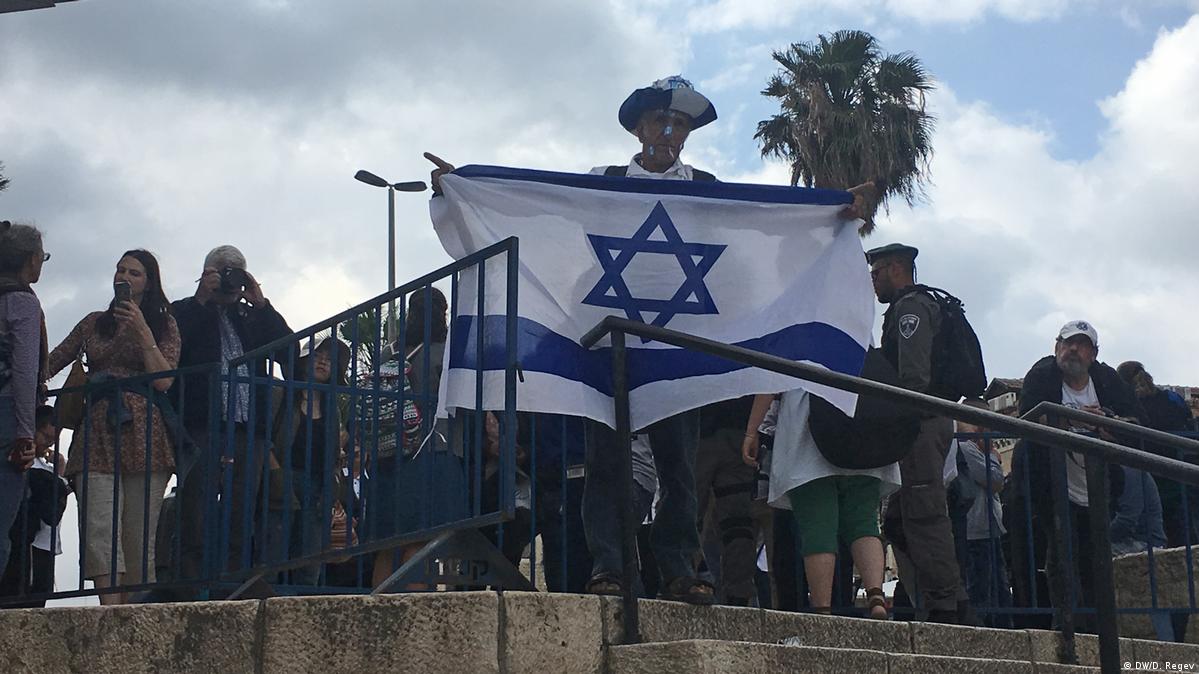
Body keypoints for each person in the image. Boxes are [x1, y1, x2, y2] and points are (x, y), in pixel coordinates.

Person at [423, 77, 878, 604]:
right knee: (606, 465)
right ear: (638, 129)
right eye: (658, 122)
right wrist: (468, 187)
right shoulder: (604, 184)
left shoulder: (707, 188)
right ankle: (610, 568)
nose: (667, 132)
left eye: (679, 124)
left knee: (678, 468)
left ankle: (679, 568)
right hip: (608, 347)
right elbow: (543, 212)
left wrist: (835, 210)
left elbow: (759, 231)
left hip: (678, 348)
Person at [47, 249, 179, 604]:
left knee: (139, 534)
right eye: (121, 270)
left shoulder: (164, 323)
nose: (123, 276)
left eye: (134, 273)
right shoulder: (94, 322)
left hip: (145, 431)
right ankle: (110, 612)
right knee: (99, 527)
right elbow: (53, 360)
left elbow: (164, 378)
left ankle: (134, 614)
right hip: (98, 429)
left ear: (149, 283)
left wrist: (141, 330)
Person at [1007, 320, 1143, 632]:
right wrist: (1068, 420)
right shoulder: (1042, 374)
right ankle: (1068, 626)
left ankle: (1099, 629)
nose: (1072, 350)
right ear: (1056, 348)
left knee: (1095, 557)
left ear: (1093, 354)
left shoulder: (1107, 379)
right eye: (1067, 343)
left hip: (1098, 485)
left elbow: (1137, 425)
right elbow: (1028, 417)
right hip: (1050, 483)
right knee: (1061, 554)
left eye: (1081, 345)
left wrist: (1110, 423)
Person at [170, 245, 292, 583]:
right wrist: (201, 299)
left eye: (235, 272)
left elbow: (290, 353)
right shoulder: (184, 310)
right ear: (206, 272)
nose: (228, 280)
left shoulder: (252, 317)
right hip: (201, 424)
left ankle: (235, 584)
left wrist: (262, 305)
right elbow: (174, 347)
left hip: (248, 428)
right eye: (222, 271)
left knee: (241, 511)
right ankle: (192, 585)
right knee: (196, 506)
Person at [866, 242, 969, 624]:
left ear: (895, 268)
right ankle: (935, 595)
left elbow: (912, 377)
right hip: (922, 421)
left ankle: (948, 604)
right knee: (899, 518)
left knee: (925, 513)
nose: (873, 282)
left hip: (920, 422)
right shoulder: (912, 306)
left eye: (876, 273)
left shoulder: (910, 308)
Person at [742, 389, 896, 619]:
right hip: (861, 427)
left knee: (818, 526)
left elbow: (771, 383)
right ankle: (876, 595)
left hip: (808, 433)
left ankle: (822, 608)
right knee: (863, 522)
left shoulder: (795, 349)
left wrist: (751, 432)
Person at [368, 287, 466, 590]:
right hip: (433, 448)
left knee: (389, 543)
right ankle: (415, 610)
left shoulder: (390, 350)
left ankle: (378, 607)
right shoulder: (448, 350)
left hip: (388, 454)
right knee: (422, 539)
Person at [265, 337, 349, 585]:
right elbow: (264, 439)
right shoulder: (281, 395)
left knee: (310, 562)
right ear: (302, 362)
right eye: (317, 355)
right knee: (273, 557)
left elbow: (333, 450)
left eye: (330, 359)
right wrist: (277, 476)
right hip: (283, 479)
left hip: (318, 487)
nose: (323, 362)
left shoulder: (331, 407)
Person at [0, 221, 46, 580]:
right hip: (5, 416)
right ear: (31, 260)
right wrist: (26, 435)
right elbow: (25, 372)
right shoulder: (22, 302)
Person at [1117, 360, 1197, 548]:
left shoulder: (1129, 403)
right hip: (1178, 467)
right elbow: (1188, 419)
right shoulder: (1170, 397)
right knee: (1182, 527)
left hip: (1148, 468)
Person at [0, 405, 67, 607]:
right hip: (32, 547)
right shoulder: (29, 468)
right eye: (45, 437)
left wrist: (60, 470)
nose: (48, 444)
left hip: (47, 546)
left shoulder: (46, 468)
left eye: (53, 440)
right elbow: (51, 509)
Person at [954, 399, 1013, 627]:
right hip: (977, 530)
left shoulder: (967, 446)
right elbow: (995, 479)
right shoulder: (966, 446)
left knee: (997, 590)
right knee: (983, 592)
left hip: (986, 528)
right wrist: (992, 456)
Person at [695, 396, 758, 606]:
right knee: (738, 522)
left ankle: (681, 580)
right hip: (739, 426)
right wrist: (753, 429)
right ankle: (739, 595)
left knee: (688, 510)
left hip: (699, 424)